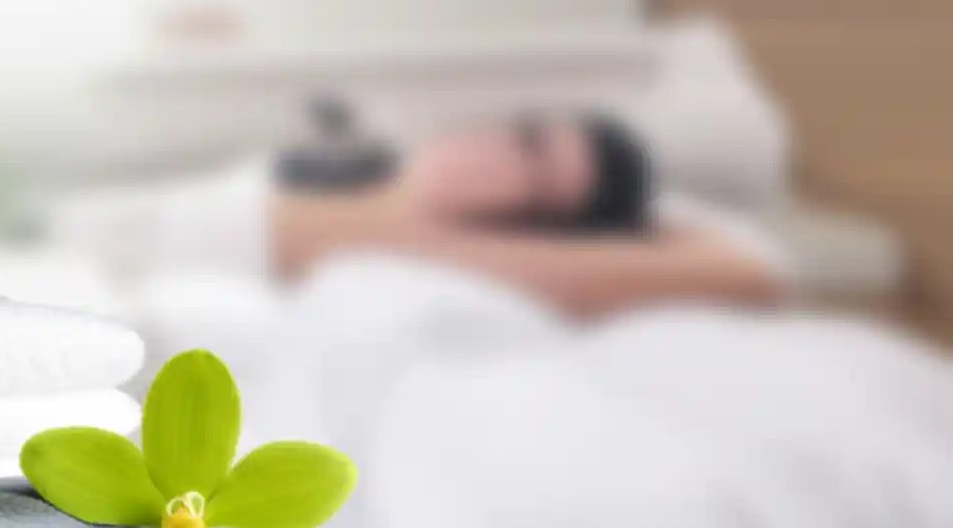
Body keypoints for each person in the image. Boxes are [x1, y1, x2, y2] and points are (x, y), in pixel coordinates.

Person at [272, 112, 787, 316]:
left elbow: (752, 275)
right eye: (527, 143)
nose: (499, 172)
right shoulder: (329, 157)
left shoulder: (394, 246)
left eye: (535, 200)